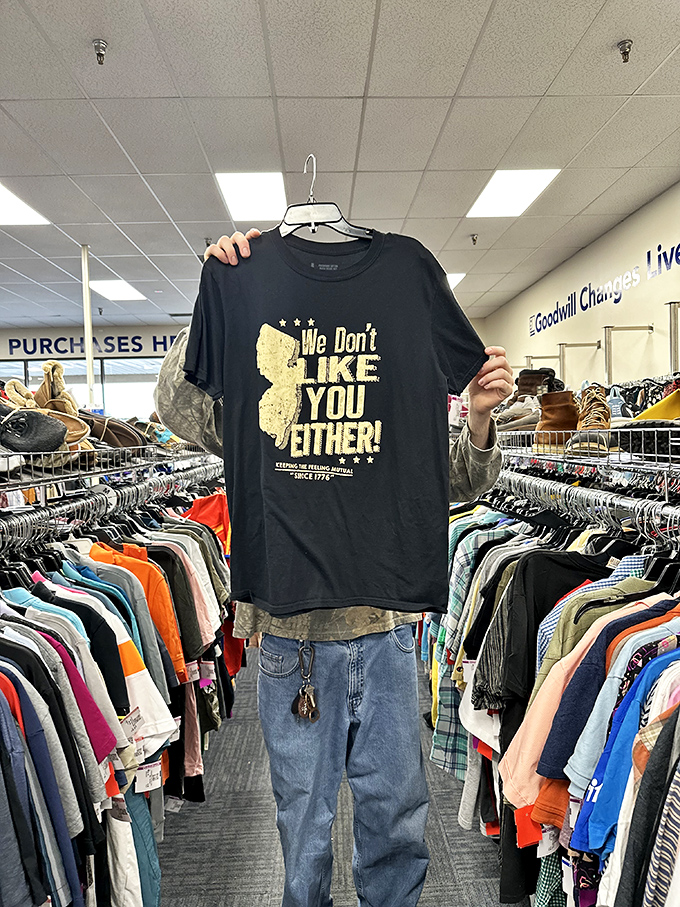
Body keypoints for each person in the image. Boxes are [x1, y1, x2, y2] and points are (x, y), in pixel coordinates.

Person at [158, 228, 513, 907]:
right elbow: (178, 409)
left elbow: (456, 478)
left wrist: (480, 421)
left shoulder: (407, 276)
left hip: (382, 629)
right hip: (290, 636)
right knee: (305, 837)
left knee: (397, 828)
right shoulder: (249, 297)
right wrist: (214, 302)